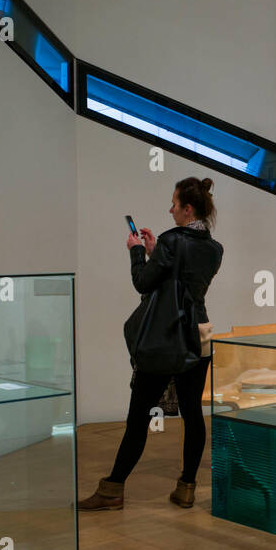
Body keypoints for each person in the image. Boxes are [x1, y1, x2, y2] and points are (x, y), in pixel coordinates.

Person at [79, 177, 223, 511]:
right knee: (193, 413)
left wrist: (136, 253)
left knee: (139, 415)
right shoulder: (215, 249)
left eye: (174, 203)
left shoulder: (172, 240)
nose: (169, 208)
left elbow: (143, 282)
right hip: (199, 334)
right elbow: (184, 283)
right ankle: (187, 487)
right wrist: (156, 251)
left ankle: (113, 488)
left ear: (188, 209)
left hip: (165, 337)